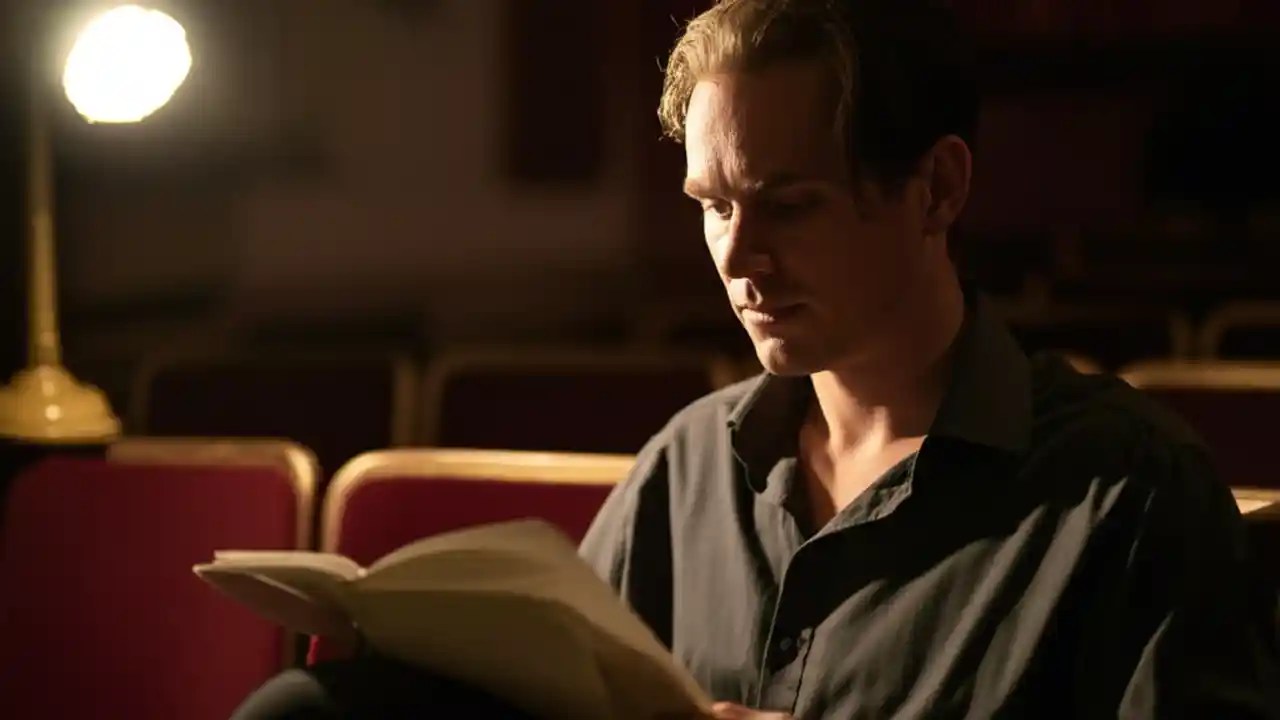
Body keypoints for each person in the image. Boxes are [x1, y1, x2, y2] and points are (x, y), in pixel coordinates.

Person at [234, 1, 1280, 717]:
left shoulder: (1127, 492)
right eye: (712, 206)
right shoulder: (687, 466)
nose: (736, 255)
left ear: (936, 190)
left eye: (788, 203)